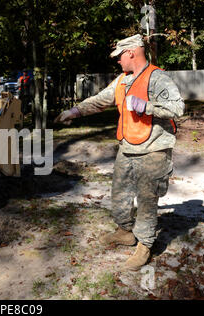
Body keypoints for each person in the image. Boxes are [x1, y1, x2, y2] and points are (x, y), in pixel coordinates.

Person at [55, 34, 185, 271]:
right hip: (127, 147)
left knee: (147, 199)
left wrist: (146, 106)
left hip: (153, 149)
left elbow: (177, 107)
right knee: (120, 192)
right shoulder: (122, 80)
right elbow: (100, 100)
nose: (117, 61)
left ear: (131, 53)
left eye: (119, 56)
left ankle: (145, 245)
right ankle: (125, 232)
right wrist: (74, 111)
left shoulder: (157, 78)